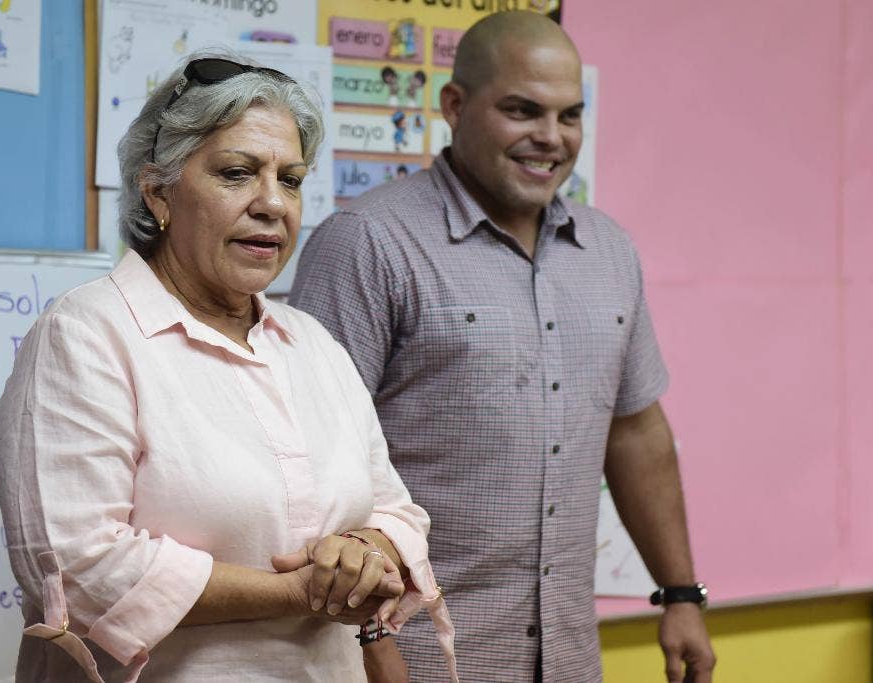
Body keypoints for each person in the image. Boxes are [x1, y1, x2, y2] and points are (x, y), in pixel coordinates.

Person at [0, 51, 455, 683]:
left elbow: (396, 512)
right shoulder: (85, 335)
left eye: (290, 180)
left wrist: (365, 553)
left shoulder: (311, 343)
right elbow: (77, 569)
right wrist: (302, 594)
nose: (272, 204)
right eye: (237, 173)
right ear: (160, 194)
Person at [290, 12, 715, 683]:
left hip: (568, 657)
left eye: (569, 115)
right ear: (454, 106)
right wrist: (367, 639)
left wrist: (680, 591)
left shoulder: (609, 252)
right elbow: (304, 461)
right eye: (523, 110)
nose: (551, 138)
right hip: (416, 657)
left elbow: (635, 431)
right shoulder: (367, 243)